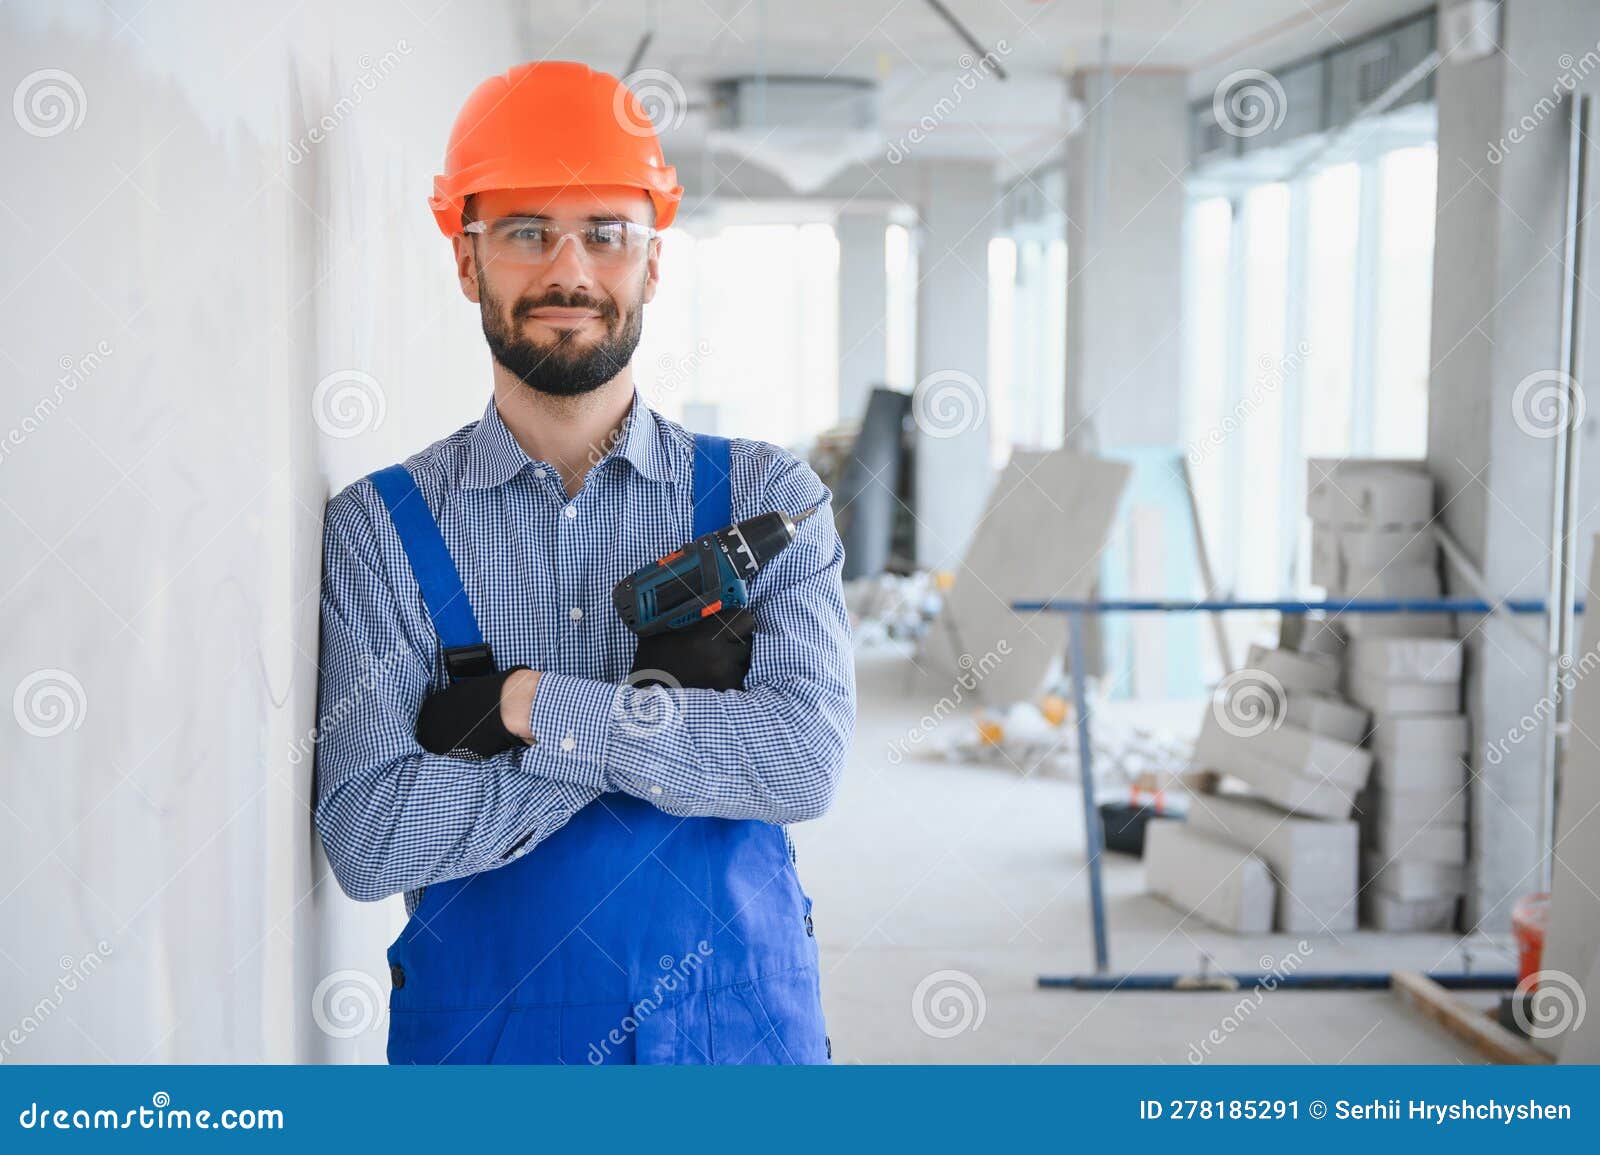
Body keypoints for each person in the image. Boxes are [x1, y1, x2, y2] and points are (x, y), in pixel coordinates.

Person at [312, 61, 855, 1065]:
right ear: (468, 262)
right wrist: (661, 720)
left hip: (731, 1040)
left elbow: (800, 764)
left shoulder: (767, 499)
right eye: (525, 232)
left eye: (606, 233)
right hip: (488, 1046)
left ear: (652, 263)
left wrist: (525, 709)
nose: (569, 273)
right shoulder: (380, 529)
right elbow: (374, 834)